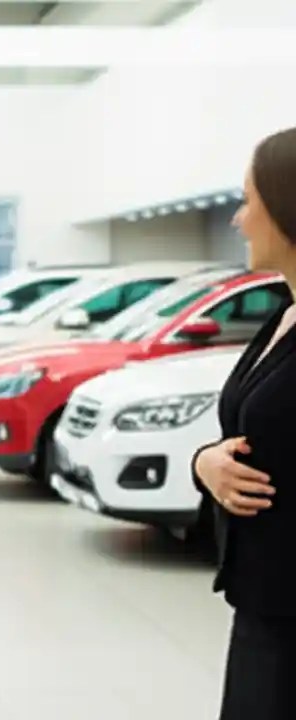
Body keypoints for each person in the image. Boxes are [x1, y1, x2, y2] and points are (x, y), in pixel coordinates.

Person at [191, 125, 296, 720]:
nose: (238, 218)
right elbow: (246, 428)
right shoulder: (283, 313)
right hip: (260, 605)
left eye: (249, 199)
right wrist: (204, 462)